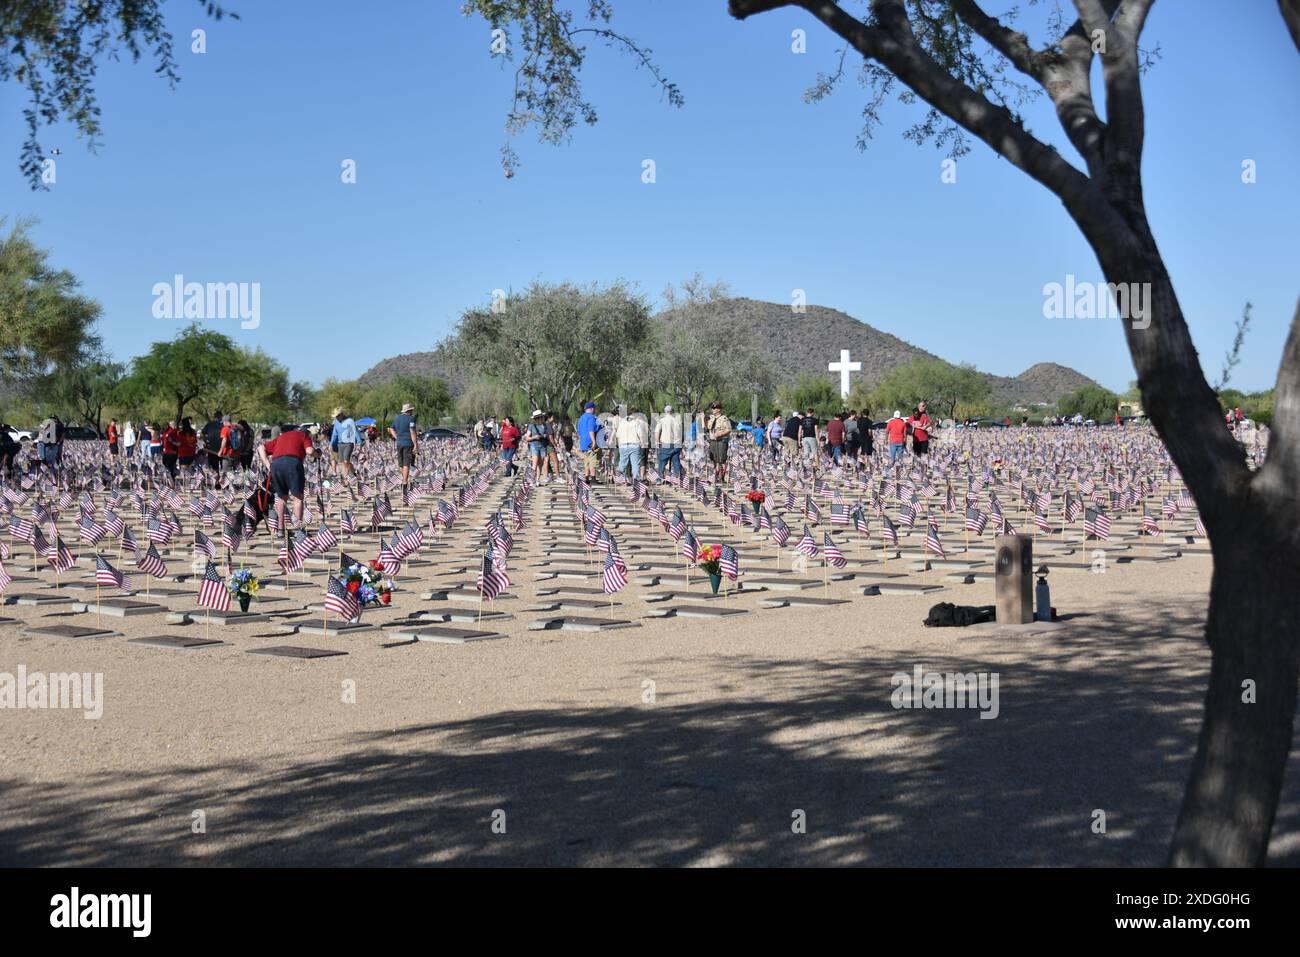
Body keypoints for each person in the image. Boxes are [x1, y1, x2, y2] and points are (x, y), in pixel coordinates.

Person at [257, 424, 319, 532]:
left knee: (281, 498)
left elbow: (261, 447)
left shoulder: (282, 436)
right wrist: (317, 454)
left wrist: (268, 465)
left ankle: (281, 529)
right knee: (297, 497)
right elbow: (309, 451)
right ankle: (298, 530)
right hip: (293, 463)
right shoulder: (304, 436)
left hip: (276, 464)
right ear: (307, 432)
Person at [389, 402, 418, 491]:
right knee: (406, 463)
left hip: (399, 443)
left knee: (401, 464)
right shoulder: (411, 419)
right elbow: (412, 431)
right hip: (408, 443)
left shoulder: (396, 418)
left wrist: (396, 437)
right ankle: (405, 482)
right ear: (409, 411)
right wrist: (416, 444)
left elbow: (391, 428)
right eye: (411, 410)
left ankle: (405, 479)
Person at [616, 407, 649, 480]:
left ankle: (619, 477)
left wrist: (619, 444)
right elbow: (640, 434)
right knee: (635, 464)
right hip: (634, 445)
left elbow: (618, 435)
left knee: (622, 463)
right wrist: (643, 444)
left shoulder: (621, 422)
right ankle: (635, 480)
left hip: (623, 445)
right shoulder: (636, 422)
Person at [654, 404, 684, 483]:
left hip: (665, 443)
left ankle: (659, 479)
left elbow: (657, 431)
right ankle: (679, 479)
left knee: (662, 462)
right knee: (676, 462)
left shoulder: (662, 420)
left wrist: (657, 442)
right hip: (676, 444)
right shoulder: (677, 421)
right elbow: (681, 434)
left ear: (665, 412)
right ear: (672, 411)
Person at [705, 401, 732, 482]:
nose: (712, 409)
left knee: (722, 460)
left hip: (721, 441)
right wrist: (703, 419)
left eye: (714, 408)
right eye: (712, 408)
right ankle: (716, 476)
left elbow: (729, 429)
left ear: (718, 409)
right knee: (714, 459)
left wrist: (721, 433)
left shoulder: (724, 418)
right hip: (713, 441)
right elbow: (708, 428)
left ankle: (722, 477)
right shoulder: (712, 418)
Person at [330, 408, 358, 483]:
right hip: (340, 444)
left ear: (341, 414)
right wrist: (331, 443)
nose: (336, 418)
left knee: (345, 461)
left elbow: (355, 431)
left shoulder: (350, 421)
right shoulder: (336, 422)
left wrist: (359, 441)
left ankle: (345, 479)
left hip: (349, 443)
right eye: (336, 417)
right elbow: (334, 434)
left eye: (337, 416)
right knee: (343, 463)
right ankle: (354, 472)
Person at [577, 401, 601, 483]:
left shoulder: (581, 418)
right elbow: (591, 430)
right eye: (594, 408)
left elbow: (579, 433)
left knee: (586, 461)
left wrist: (580, 443)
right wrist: (594, 441)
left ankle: (586, 478)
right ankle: (593, 479)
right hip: (590, 442)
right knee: (592, 461)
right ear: (592, 408)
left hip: (583, 443)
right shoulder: (591, 417)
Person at [525, 410, 550, 483]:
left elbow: (547, 435)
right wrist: (534, 437)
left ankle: (537, 479)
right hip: (534, 446)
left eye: (541, 417)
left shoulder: (544, 425)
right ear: (535, 419)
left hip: (543, 445)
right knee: (535, 464)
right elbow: (527, 438)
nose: (540, 419)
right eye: (538, 418)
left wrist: (545, 436)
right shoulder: (531, 426)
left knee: (541, 464)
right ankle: (532, 480)